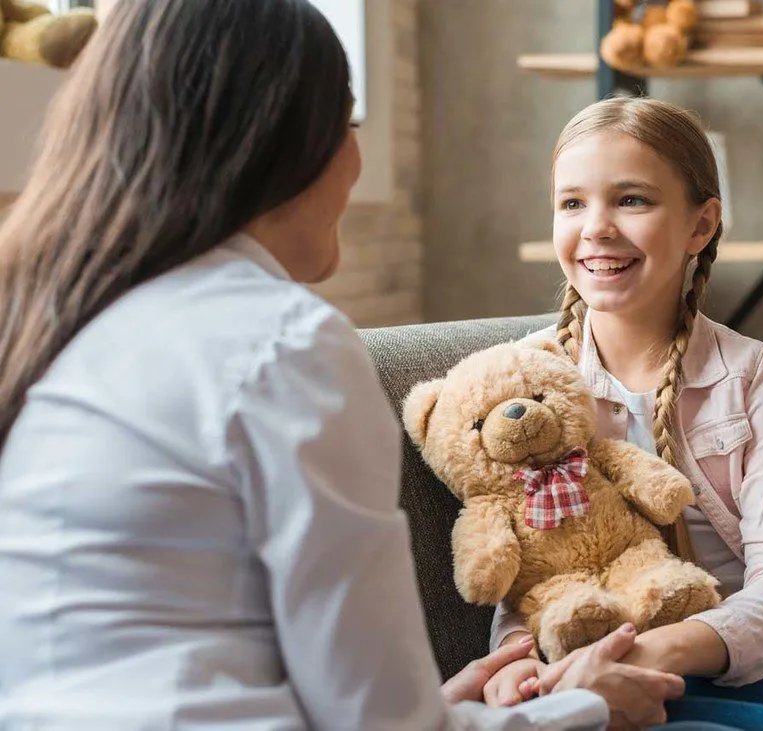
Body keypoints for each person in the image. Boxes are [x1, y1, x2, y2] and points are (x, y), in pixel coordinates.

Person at [0, 2, 690, 729]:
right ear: (287, 143)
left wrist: (438, 705)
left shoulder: (51, 326)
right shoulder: (283, 345)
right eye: (349, 121)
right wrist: (589, 709)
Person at [481, 97, 763, 730]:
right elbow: (522, 563)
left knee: (652, 713)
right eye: (572, 203)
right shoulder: (524, 384)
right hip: (600, 654)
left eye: (632, 200)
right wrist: (512, 660)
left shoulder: (750, 374)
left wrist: (646, 654)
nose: (596, 227)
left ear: (700, 227)